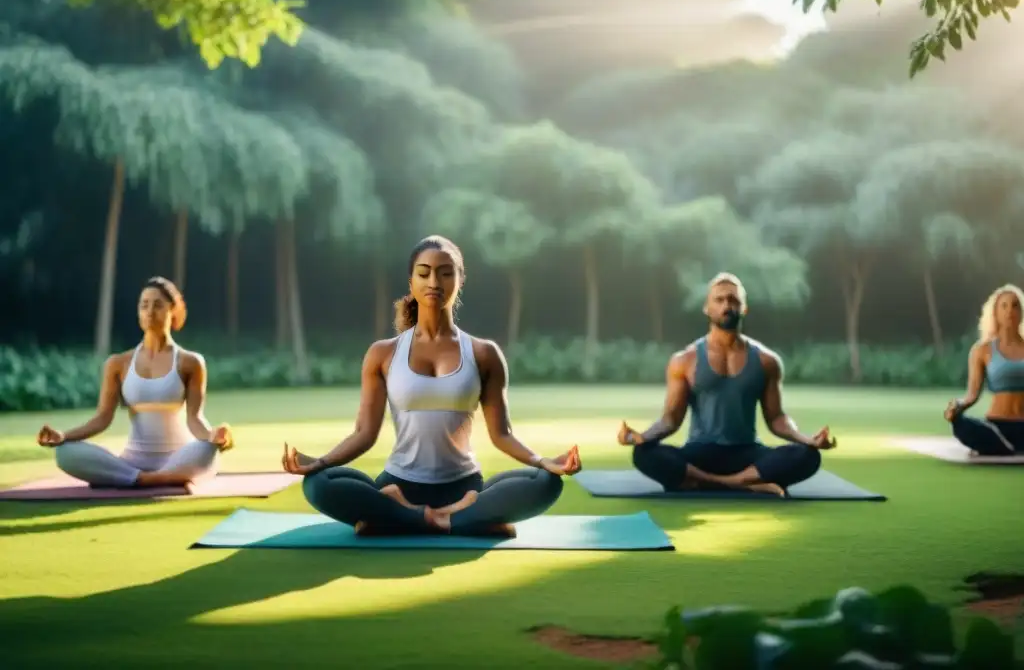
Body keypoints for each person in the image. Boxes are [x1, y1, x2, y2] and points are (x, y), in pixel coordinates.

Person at [281, 235, 580, 536]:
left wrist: (544, 461)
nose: (434, 281)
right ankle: (460, 519)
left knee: (546, 482)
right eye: (424, 273)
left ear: (460, 280)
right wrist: (319, 462)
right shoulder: (383, 354)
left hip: (464, 487)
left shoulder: (483, 353)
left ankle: (397, 518)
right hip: (398, 484)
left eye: (445, 272)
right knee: (318, 483)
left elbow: (502, 434)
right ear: (411, 282)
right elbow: (364, 434)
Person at [617, 273, 835, 496]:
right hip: (699, 453)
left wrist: (807, 439)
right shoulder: (684, 360)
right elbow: (670, 419)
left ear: (744, 308)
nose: (727, 305)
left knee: (808, 455)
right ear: (707, 308)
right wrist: (642, 437)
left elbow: (777, 418)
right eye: (719, 300)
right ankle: (740, 483)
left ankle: (704, 482)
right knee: (643, 453)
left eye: (733, 300)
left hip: (746, 454)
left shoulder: (767, 361)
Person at [36, 277, 233, 489]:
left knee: (207, 450)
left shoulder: (191, 362)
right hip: (133, 461)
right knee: (65, 453)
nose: (150, 311)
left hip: (180, 458)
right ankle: (152, 478)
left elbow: (195, 418)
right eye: (144, 305)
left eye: (157, 305)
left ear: (172, 310)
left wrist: (213, 436)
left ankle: (132, 479)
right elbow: (102, 419)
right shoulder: (118, 363)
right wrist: (63, 436)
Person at [943, 283, 1024, 455]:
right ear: (995, 313)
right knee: (961, 425)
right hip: (996, 425)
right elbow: (971, 396)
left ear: (1021, 312)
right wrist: (956, 407)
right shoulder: (982, 350)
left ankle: (1004, 449)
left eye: (1015, 305)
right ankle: (1002, 446)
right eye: (1004, 306)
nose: (1010, 310)